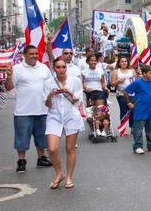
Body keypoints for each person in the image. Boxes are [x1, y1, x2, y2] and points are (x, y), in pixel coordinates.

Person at [8, 45, 54, 171]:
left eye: (36, 53)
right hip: (23, 111)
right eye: (31, 54)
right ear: (24, 55)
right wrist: (8, 76)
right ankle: (21, 161)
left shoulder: (43, 67)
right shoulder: (17, 69)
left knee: (42, 137)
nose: (34, 56)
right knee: (22, 137)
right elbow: (8, 87)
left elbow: (50, 86)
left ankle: (41, 158)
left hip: (42, 109)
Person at [43, 57, 85, 188]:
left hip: (71, 116)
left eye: (63, 67)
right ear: (54, 69)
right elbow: (47, 104)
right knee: (52, 148)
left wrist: (69, 92)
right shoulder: (48, 82)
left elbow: (77, 102)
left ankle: (69, 177)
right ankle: (59, 173)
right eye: (58, 67)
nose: (61, 70)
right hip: (54, 116)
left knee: (70, 149)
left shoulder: (75, 81)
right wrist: (50, 95)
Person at [123, 64, 151, 154]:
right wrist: (129, 103)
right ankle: (137, 146)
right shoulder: (138, 82)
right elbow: (126, 91)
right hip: (140, 109)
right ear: (144, 73)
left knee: (150, 128)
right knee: (138, 129)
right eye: (150, 73)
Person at [81, 52, 109, 138]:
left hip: (99, 92)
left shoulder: (100, 71)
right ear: (88, 62)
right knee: (90, 113)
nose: (93, 62)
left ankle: (100, 128)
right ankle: (93, 129)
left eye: (95, 61)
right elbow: (82, 83)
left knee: (99, 110)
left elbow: (103, 82)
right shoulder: (83, 72)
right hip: (89, 93)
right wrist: (85, 88)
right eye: (91, 60)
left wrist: (106, 88)